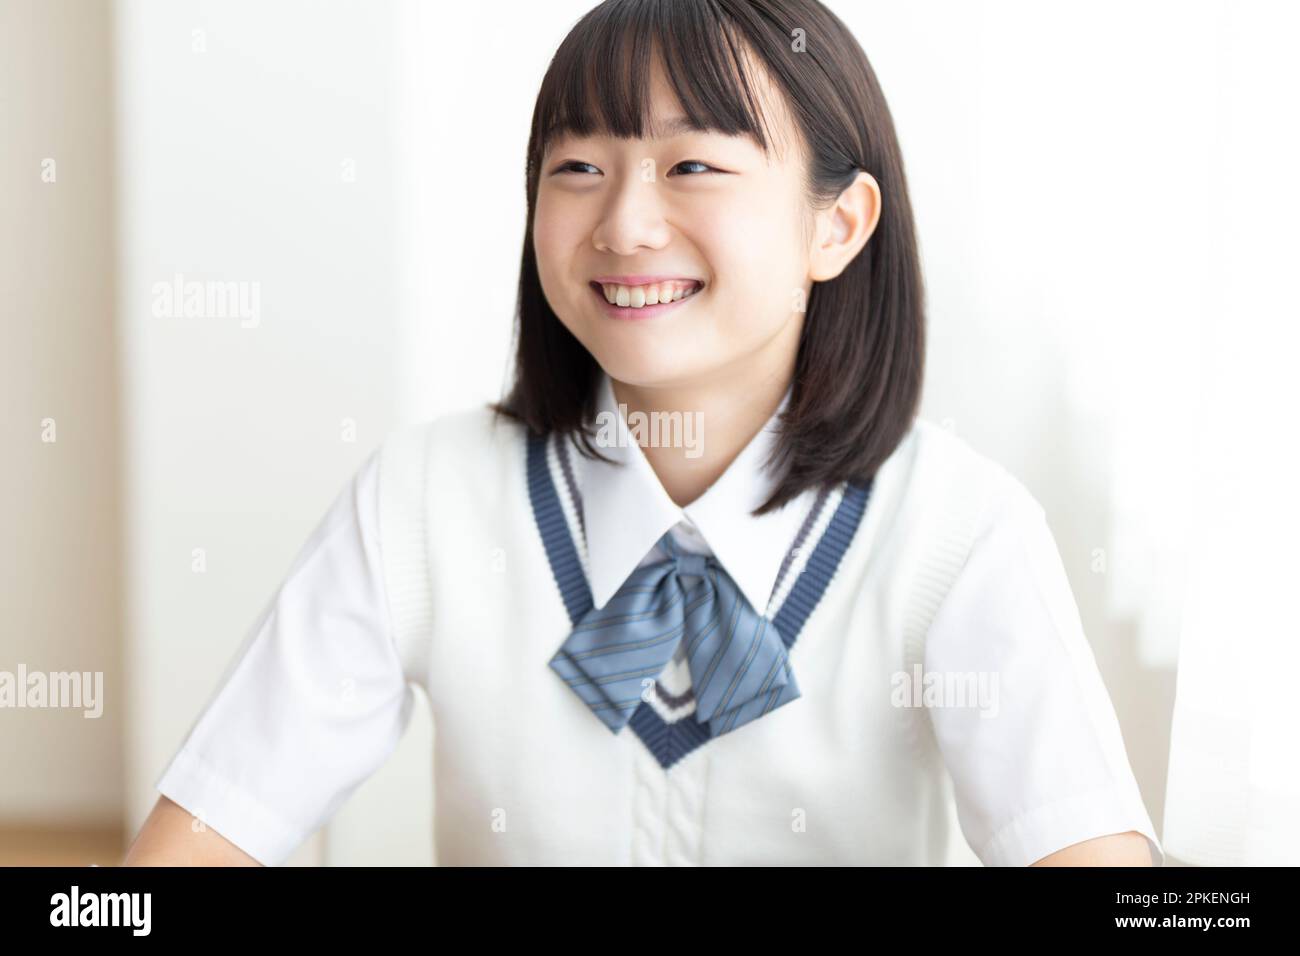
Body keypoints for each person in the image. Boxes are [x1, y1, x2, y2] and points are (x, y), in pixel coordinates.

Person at [124, 0, 1162, 866]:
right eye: (576, 166)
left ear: (835, 225)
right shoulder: (425, 498)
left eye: (692, 167)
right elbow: (202, 836)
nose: (622, 224)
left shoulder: (956, 531)